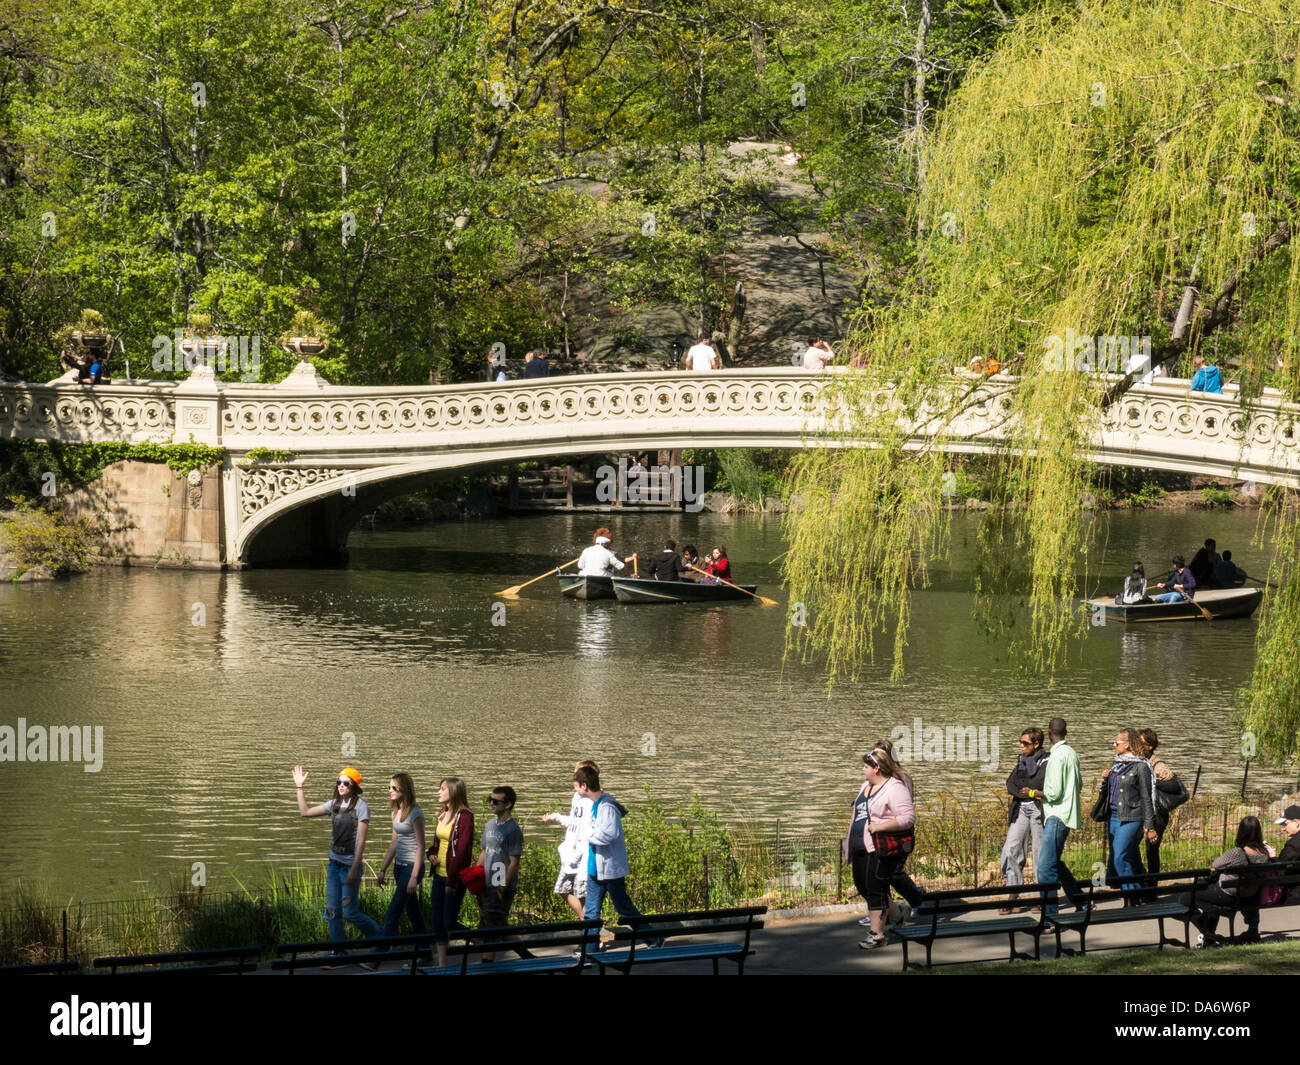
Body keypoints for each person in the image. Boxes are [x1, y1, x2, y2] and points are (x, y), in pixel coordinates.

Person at [292, 765, 383, 956]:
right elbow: (305, 812)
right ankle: (339, 952)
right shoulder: (333, 804)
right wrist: (299, 787)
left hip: (350, 866)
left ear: (355, 786)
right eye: (339, 781)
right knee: (333, 911)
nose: (341, 785)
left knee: (350, 912)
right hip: (334, 866)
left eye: (346, 782)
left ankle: (381, 939)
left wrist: (354, 868)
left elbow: (361, 841)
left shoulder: (361, 807)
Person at [576, 765, 660, 948]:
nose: (574, 789)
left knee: (624, 909)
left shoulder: (607, 807)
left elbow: (609, 834)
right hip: (595, 869)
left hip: (609, 870)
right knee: (591, 913)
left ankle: (654, 939)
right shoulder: (596, 805)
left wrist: (586, 834)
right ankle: (589, 952)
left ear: (584, 785)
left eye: (576, 785)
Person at [855, 746, 920, 950]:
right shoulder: (865, 785)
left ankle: (877, 934)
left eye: (866, 766)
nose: (863, 770)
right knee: (863, 886)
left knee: (877, 889)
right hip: (860, 844)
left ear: (877, 768)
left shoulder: (895, 787)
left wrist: (880, 826)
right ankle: (898, 914)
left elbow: (908, 818)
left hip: (881, 847)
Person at [1179, 816, 1271, 946]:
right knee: (1210, 899)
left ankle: (1206, 931)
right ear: (1258, 832)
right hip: (1250, 896)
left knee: (1185, 898)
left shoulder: (1237, 853)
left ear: (1241, 832)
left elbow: (1215, 864)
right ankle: (1211, 936)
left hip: (1228, 895)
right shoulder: (1265, 854)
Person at [1037, 717, 1086, 924]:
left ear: (1049, 733)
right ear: (1065, 732)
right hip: (1068, 814)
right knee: (1054, 862)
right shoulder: (1071, 753)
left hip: (1056, 814)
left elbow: (1054, 792)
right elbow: (1079, 784)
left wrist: (1039, 793)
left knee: (1044, 868)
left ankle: (1050, 917)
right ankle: (1081, 901)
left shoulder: (1056, 756)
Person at [1101, 728, 1158, 899]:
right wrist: (1105, 779)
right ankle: (1139, 893)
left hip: (1131, 817)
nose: (1114, 745)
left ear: (1127, 744)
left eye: (1117, 743)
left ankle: (1131, 895)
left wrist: (1150, 826)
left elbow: (1147, 798)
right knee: (1129, 856)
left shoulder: (1141, 766)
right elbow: (1110, 791)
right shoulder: (1116, 764)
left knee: (1119, 856)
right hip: (1113, 816)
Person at [540, 760, 599, 919]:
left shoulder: (591, 800)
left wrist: (578, 852)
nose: (573, 776)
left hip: (582, 855)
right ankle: (588, 921)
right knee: (562, 889)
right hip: (570, 852)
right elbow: (574, 822)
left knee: (583, 896)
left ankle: (590, 928)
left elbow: (586, 830)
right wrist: (557, 817)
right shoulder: (577, 797)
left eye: (576, 773)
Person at [425, 776, 474, 968]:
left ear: (453, 792)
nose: (438, 792)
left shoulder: (465, 816)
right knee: (436, 920)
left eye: (442, 789)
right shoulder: (442, 812)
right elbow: (437, 844)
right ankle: (442, 964)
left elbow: (461, 851)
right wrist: (431, 855)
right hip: (439, 874)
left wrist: (452, 882)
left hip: (454, 878)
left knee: (448, 922)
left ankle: (475, 937)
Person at [999, 728, 1049, 912]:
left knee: (1039, 854)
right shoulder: (1021, 760)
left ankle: (1041, 896)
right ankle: (1014, 892)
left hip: (1038, 810)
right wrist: (1026, 791)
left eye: (1025, 743)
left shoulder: (1047, 761)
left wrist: (1029, 789)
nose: (1021, 746)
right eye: (1020, 742)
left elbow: (1039, 783)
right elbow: (1010, 783)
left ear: (1036, 744)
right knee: (1010, 849)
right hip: (1020, 808)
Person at [375, 772, 428, 941]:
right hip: (399, 867)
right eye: (388, 787)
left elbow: (421, 846)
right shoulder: (396, 812)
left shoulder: (415, 813)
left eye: (393, 787)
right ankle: (426, 951)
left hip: (412, 867)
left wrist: (414, 877)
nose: (390, 790)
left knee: (393, 911)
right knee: (413, 912)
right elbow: (394, 843)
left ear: (404, 789)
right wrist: (383, 869)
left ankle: (378, 956)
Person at [477, 785, 524, 962]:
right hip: (488, 883)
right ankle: (527, 957)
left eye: (496, 801)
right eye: (490, 800)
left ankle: (485, 964)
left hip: (501, 885)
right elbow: (484, 851)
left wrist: (502, 887)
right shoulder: (490, 825)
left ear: (508, 804)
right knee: (498, 924)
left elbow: (514, 863)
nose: (491, 803)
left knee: (490, 926)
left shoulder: (513, 830)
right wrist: (475, 874)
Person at [1138, 729, 1180, 875]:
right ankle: (1141, 877)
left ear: (1150, 746)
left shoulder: (1157, 764)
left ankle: (1151, 887)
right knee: (1131, 846)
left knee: (1151, 850)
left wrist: (1152, 782)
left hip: (1157, 815)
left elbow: (1175, 786)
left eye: (1140, 741)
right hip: (1141, 813)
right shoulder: (1137, 760)